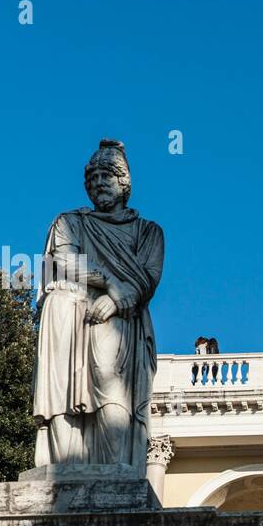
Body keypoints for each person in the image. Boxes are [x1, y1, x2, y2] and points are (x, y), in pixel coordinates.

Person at [33, 139, 163, 469]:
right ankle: (63, 466)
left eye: (107, 176)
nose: (99, 184)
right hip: (69, 307)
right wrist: (108, 282)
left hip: (121, 317)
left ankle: (116, 469)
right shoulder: (69, 222)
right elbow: (63, 260)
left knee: (109, 379)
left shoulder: (148, 232)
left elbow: (147, 279)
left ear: (124, 182)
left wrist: (116, 299)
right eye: (93, 179)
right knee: (61, 386)